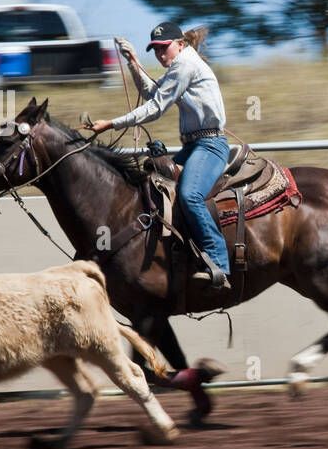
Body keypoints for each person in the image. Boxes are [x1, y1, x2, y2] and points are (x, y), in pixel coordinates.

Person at [92, 21, 232, 290]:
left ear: (180, 44)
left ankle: (220, 263)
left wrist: (111, 124)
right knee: (154, 187)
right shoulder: (183, 64)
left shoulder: (185, 64)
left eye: (163, 48)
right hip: (194, 147)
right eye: (155, 50)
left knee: (190, 196)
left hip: (210, 146)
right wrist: (133, 62)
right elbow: (153, 94)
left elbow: (155, 107)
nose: (159, 55)